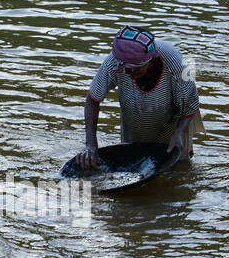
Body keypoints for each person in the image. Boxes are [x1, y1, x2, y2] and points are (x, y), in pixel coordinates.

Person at [78, 25, 202, 168]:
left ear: (149, 62)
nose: (127, 73)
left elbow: (191, 103)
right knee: (135, 162)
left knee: (178, 167)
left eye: (132, 70)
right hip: (135, 118)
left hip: (174, 123)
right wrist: (91, 144)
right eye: (124, 69)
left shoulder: (176, 65)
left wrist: (179, 133)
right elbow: (93, 99)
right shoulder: (115, 60)